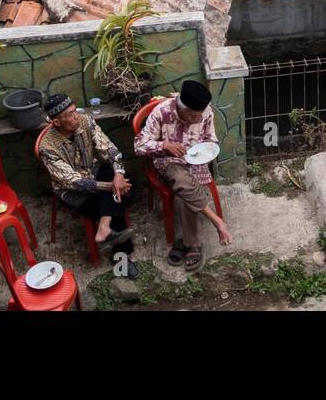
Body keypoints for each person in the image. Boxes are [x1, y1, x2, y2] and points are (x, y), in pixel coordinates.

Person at [134, 80, 234, 270]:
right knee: (180, 180)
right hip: (168, 162)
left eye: (200, 115)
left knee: (183, 194)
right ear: (183, 109)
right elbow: (139, 145)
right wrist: (164, 145)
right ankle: (217, 222)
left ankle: (189, 243)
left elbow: (211, 139)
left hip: (197, 162)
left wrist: (205, 149)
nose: (199, 119)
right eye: (194, 116)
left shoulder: (205, 112)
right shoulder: (161, 112)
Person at [37, 93, 139, 279]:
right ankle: (122, 258)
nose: (76, 116)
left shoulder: (86, 122)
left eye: (75, 110)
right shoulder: (47, 148)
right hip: (73, 192)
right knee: (118, 197)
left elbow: (109, 149)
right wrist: (112, 186)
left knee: (118, 183)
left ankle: (104, 228)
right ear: (57, 122)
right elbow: (73, 182)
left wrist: (118, 175)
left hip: (94, 173)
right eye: (70, 114)